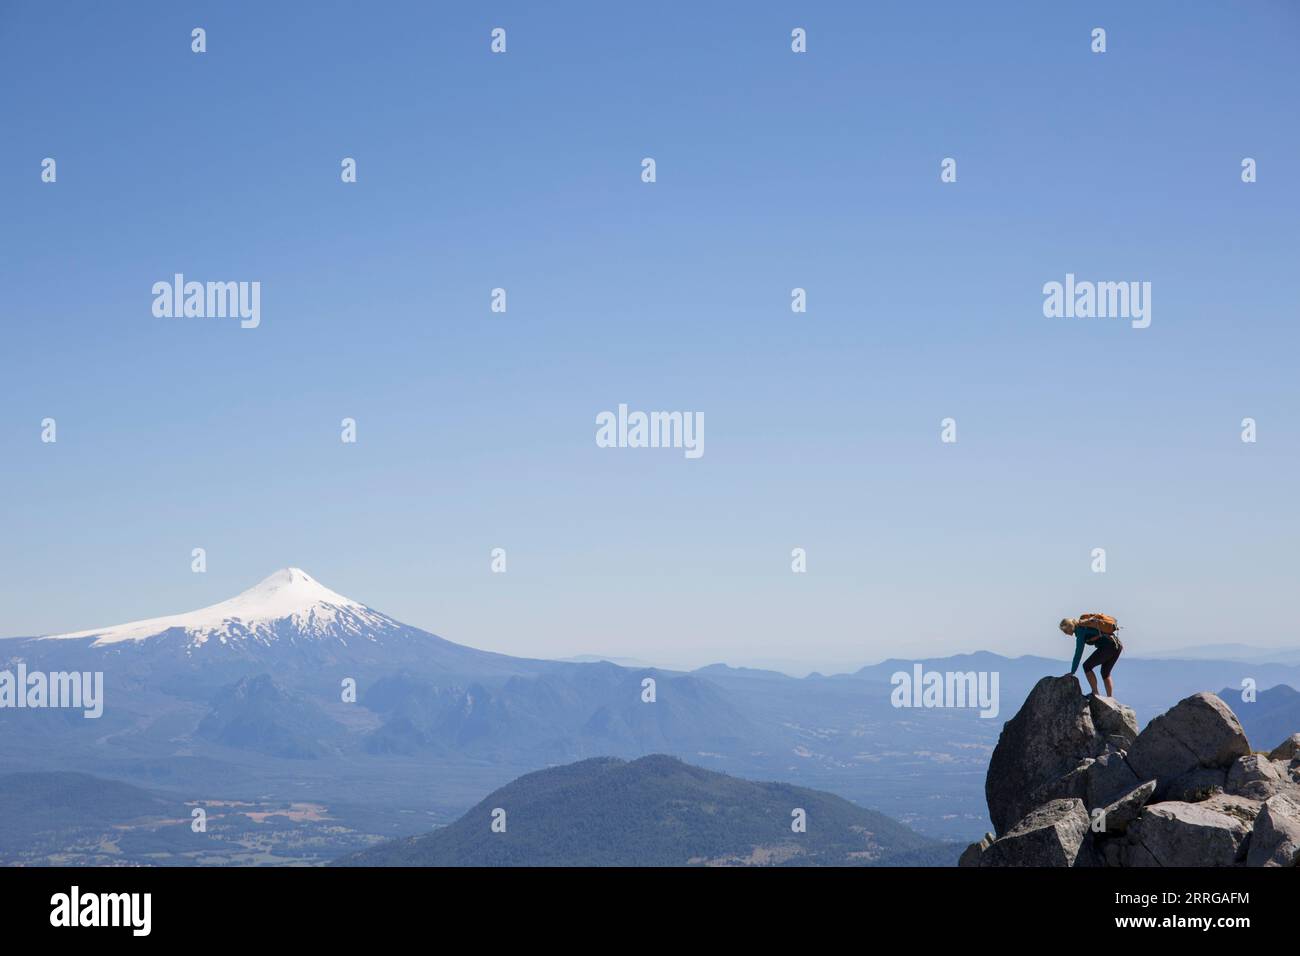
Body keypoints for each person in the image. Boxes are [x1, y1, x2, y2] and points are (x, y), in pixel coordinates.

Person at [1060, 616, 1122, 697]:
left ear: (1069, 626)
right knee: (1105, 672)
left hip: (1109, 647)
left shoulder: (1080, 631)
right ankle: (1110, 699)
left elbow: (1078, 653)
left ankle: (1095, 693)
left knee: (1087, 666)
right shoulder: (1083, 627)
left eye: (1065, 630)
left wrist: (1073, 671)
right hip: (1117, 646)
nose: (1065, 633)